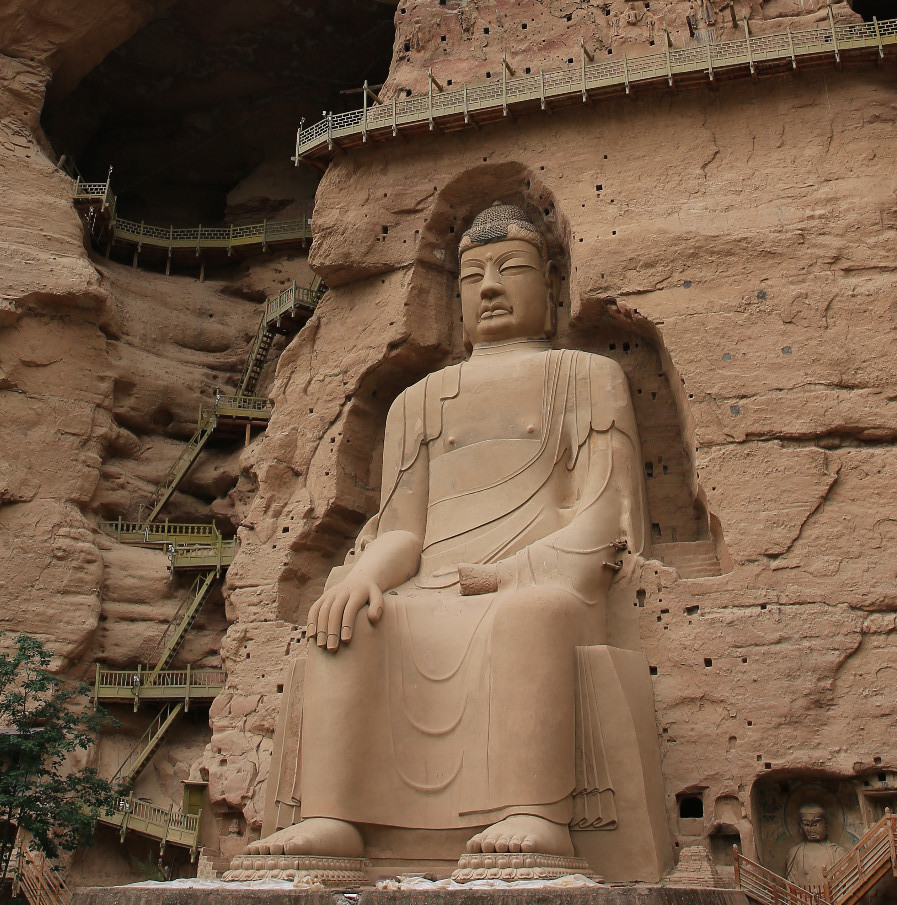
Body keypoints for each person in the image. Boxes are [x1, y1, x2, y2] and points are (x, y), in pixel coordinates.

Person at [244, 201, 647, 863]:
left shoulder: (585, 377)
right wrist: (366, 575)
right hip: (432, 584)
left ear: (550, 287)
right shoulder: (420, 400)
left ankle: (533, 813)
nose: (488, 287)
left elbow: (604, 514)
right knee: (349, 620)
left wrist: (512, 573)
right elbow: (404, 529)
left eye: (509, 269)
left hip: (536, 581)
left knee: (530, 614)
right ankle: (331, 819)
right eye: (471, 276)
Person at [784, 803, 849, 887]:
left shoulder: (836, 852)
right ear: (800, 827)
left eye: (816, 824)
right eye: (807, 824)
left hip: (833, 898)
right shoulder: (795, 853)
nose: (812, 829)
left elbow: (845, 883)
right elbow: (791, 885)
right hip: (804, 898)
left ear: (826, 825)